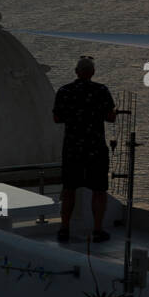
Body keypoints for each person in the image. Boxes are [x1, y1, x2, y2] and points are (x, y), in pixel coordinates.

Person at [51, 56, 116, 243]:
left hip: (72, 147)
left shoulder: (65, 91)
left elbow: (57, 118)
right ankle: (97, 230)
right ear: (93, 72)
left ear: (76, 72)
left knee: (69, 188)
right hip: (95, 147)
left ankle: (64, 228)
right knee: (99, 190)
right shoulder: (101, 91)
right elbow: (110, 117)